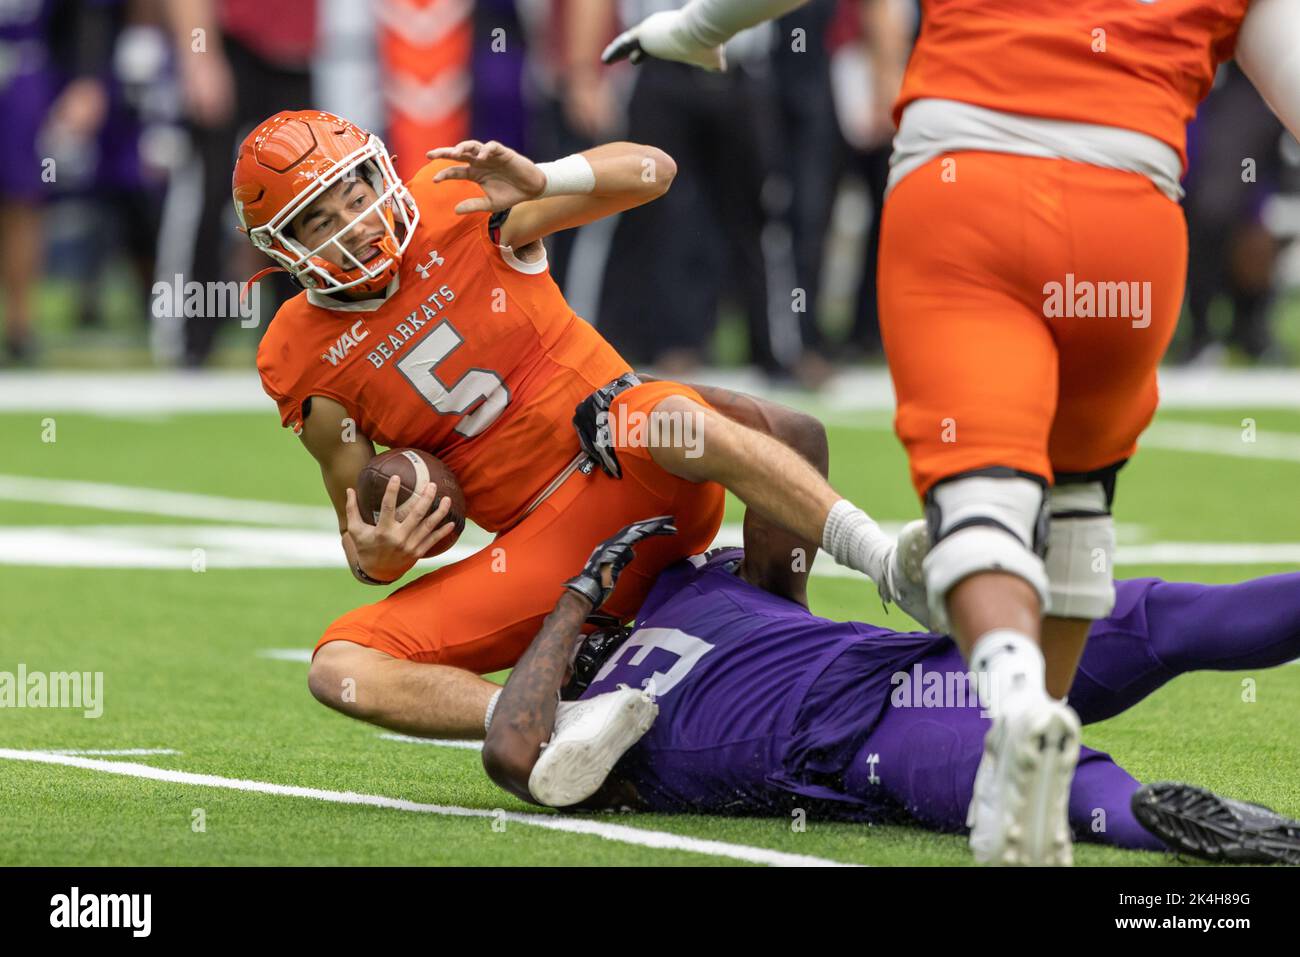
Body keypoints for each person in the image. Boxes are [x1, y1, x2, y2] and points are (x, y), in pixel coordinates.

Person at [601, 0, 1300, 865]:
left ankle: (1016, 699)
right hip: (1131, 215)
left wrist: (694, 28)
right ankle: (1036, 719)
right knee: (1079, 508)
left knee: (983, 503)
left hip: (969, 184)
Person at [235, 109, 925, 751]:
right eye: (319, 221)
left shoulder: (455, 202)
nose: (353, 226)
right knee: (338, 666)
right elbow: (361, 537)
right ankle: (566, 723)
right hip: (545, 552)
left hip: (627, 457)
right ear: (284, 248)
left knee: (676, 418)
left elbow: (655, 170)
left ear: (377, 176)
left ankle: (885, 562)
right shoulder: (299, 353)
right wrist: (381, 554)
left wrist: (544, 179)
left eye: (354, 198)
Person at [483, 518, 1300, 865]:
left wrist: (581, 597)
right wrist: (576, 594)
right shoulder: (592, 744)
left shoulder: (687, 587)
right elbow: (512, 750)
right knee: (1155, 630)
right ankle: (1188, 822)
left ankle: (1198, 822)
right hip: (875, 731)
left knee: (1148, 636)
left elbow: (787, 444)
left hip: (905, 690)